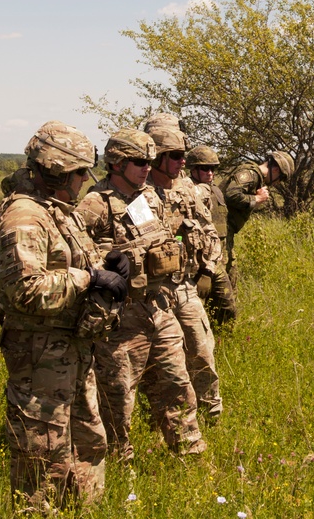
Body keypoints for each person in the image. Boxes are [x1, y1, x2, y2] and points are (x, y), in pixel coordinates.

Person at [0, 121, 126, 509]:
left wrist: (108, 262)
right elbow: (25, 291)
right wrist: (89, 277)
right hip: (40, 358)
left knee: (88, 445)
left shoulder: (57, 211)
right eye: (80, 172)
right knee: (41, 459)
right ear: (58, 172)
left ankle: (85, 511)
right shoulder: (24, 217)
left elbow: (68, 259)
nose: (85, 180)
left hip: (73, 351)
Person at [75, 128, 208, 460]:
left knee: (177, 384)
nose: (147, 168)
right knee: (118, 395)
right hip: (122, 319)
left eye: (150, 161)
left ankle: (189, 453)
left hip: (159, 308)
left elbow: (159, 240)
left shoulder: (147, 198)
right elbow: (75, 256)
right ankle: (118, 460)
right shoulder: (95, 203)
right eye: (139, 162)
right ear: (117, 163)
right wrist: (107, 260)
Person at [142, 115, 224, 420]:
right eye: (175, 156)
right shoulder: (136, 191)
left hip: (185, 285)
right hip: (150, 292)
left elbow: (209, 232)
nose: (182, 162)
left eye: (183, 155)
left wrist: (208, 270)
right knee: (156, 363)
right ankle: (159, 417)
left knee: (202, 352)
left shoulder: (189, 189)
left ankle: (211, 414)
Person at [220, 150, 295, 289]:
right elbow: (231, 194)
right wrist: (256, 199)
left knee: (229, 279)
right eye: (281, 178)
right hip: (220, 231)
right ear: (276, 170)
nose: (278, 183)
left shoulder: (255, 177)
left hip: (224, 231)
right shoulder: (251, 174)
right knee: (223, 281)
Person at [185, 145, 237, 325]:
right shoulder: (190, 191)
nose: (210, 173)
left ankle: (224, 337)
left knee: (226, 305)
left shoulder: (214, 190)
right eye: (205, 168)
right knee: (197, 308)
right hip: (198, 259)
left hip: (217, 255)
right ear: (193, 169)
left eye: (213, 168)